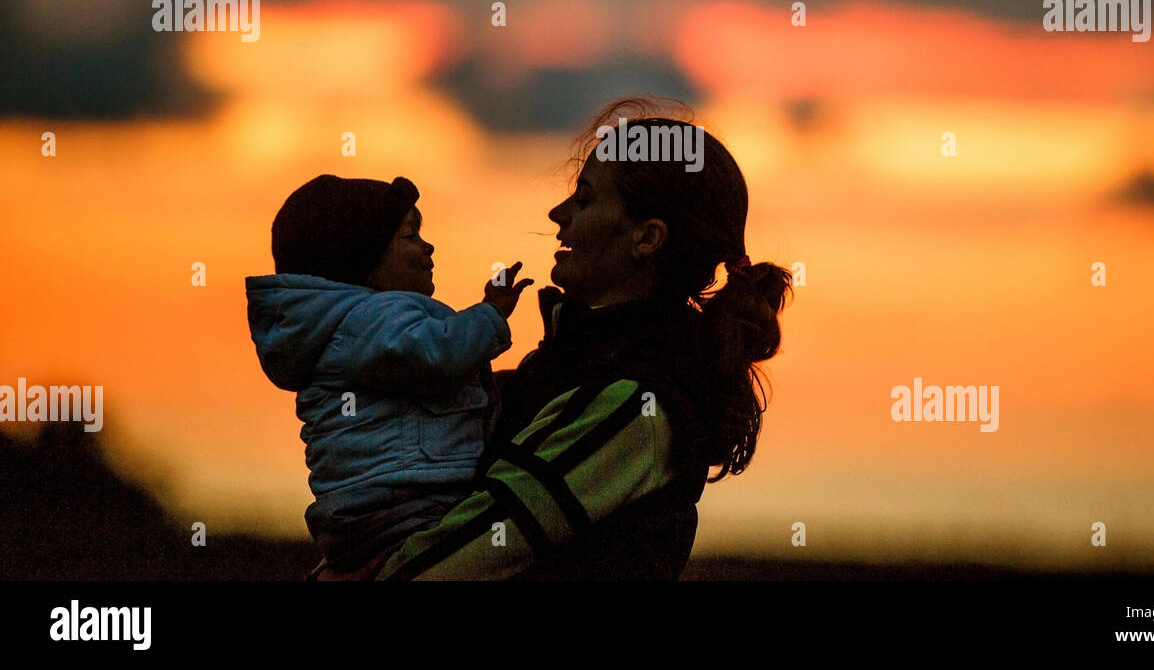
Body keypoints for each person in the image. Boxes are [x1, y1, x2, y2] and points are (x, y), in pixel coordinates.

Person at [369, 100, 793, 580]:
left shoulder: (635, 403)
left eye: (585, 198)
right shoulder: (573, 366)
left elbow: (460, 556)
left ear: (647, 238)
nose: (557, 213)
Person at [245, 174, 532, 574]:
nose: (427, 247)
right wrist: (491, 313)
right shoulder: (371, 318)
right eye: (411, 236)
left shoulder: (351, 326)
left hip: (368, 511)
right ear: (362, 259)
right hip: (404, 504)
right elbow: (437, 356)